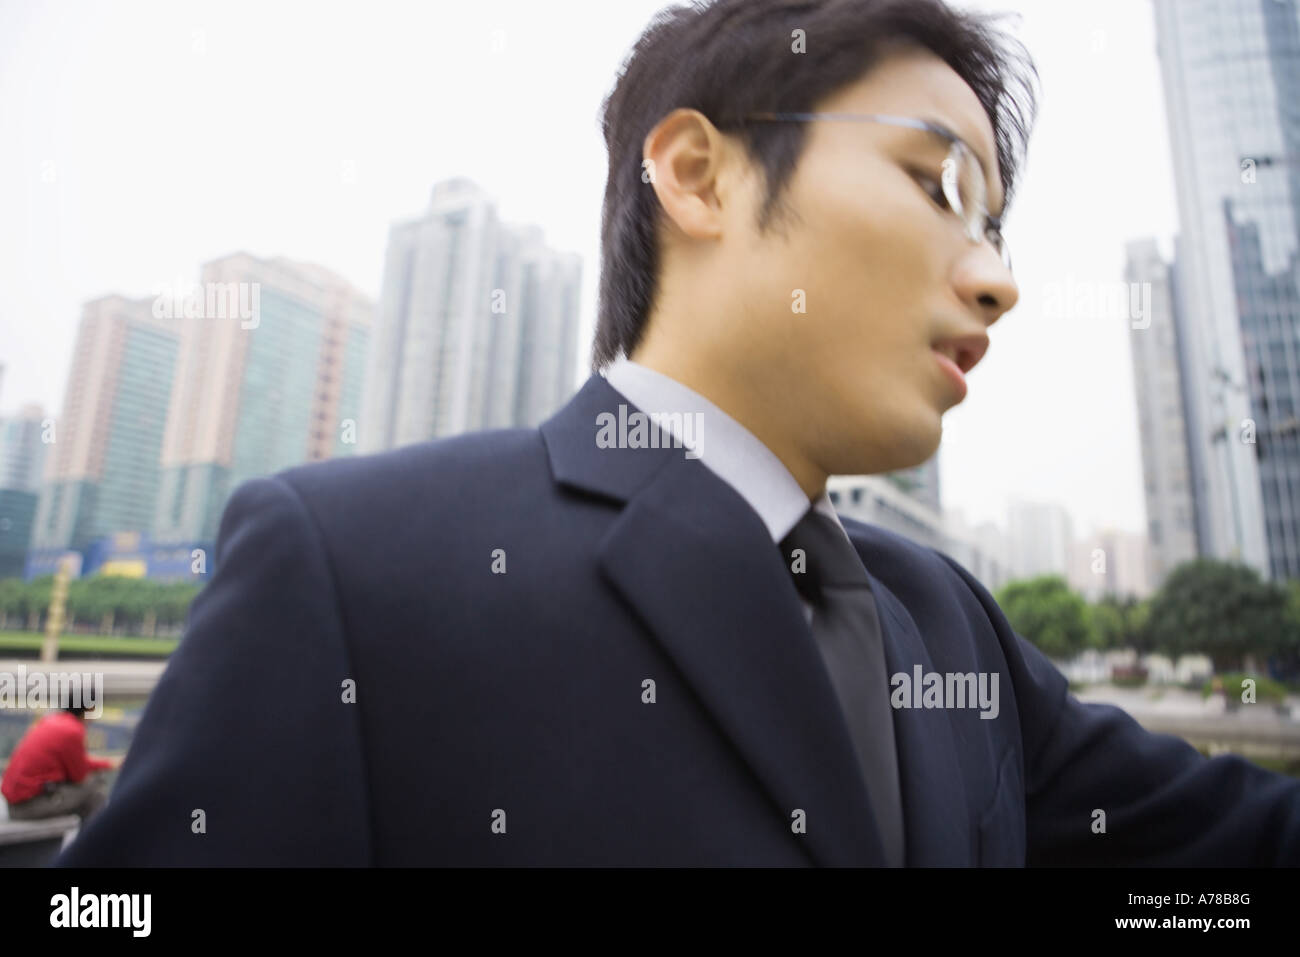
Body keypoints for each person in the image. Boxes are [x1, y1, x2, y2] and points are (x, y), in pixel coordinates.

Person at [59, 0, 1300, 866]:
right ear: (698, 174)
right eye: (941, 187)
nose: (994, 282)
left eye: (998, 233)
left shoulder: (945, 618)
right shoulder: (353, 566)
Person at [3, 705, 117, 823]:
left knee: (88, 796)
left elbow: (78, 763)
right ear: (89, 710)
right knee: (96, 783)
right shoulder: (73, 730)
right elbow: (79, 776)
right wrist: (105, 765)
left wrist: (106, 763)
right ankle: (100, 836)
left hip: (15, 805)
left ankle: (92, 835)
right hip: (28, 808)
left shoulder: (53, 721)